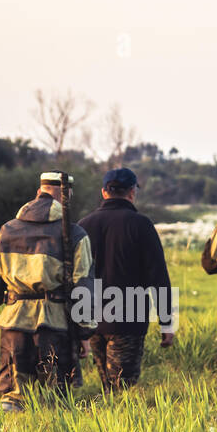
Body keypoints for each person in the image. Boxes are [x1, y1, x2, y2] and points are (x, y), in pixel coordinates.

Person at [0, 171, 97, 412]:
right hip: (56, 327)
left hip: (13, 326)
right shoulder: (75, 234)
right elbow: (83, 286)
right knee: (55, 400)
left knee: (12, 398)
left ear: (38, 193)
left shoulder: (7, 230)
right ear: (67, 197)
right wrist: (85, 334)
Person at [76, 167, 175, 391]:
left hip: (92, 320)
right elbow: (158, 277)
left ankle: (104, 424)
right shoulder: (141, 225)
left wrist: (78, 323)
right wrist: (167, 322)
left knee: (107, 387)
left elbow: (75, 277)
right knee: (123, 391)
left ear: (104, 192)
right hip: (128, 318)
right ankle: (118, 425)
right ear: (132, 192)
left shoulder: (83, 225)